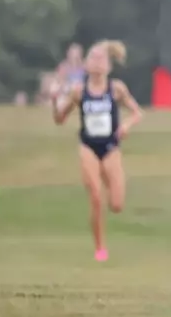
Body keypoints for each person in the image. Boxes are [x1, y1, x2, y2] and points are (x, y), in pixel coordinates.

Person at [51, 41, 144, 262]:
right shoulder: (78, 91)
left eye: (101, 59)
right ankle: (100, 248)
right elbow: (60, 120)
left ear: (109, 66)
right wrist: (55, 102)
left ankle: (107, 175)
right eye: (92, 58)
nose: (97, 62)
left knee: (117, 204)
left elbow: (137, 112)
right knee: (95, 197)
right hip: (88, 146)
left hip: (111, 147)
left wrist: (126, 126)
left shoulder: (116, 89)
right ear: (86, 64)